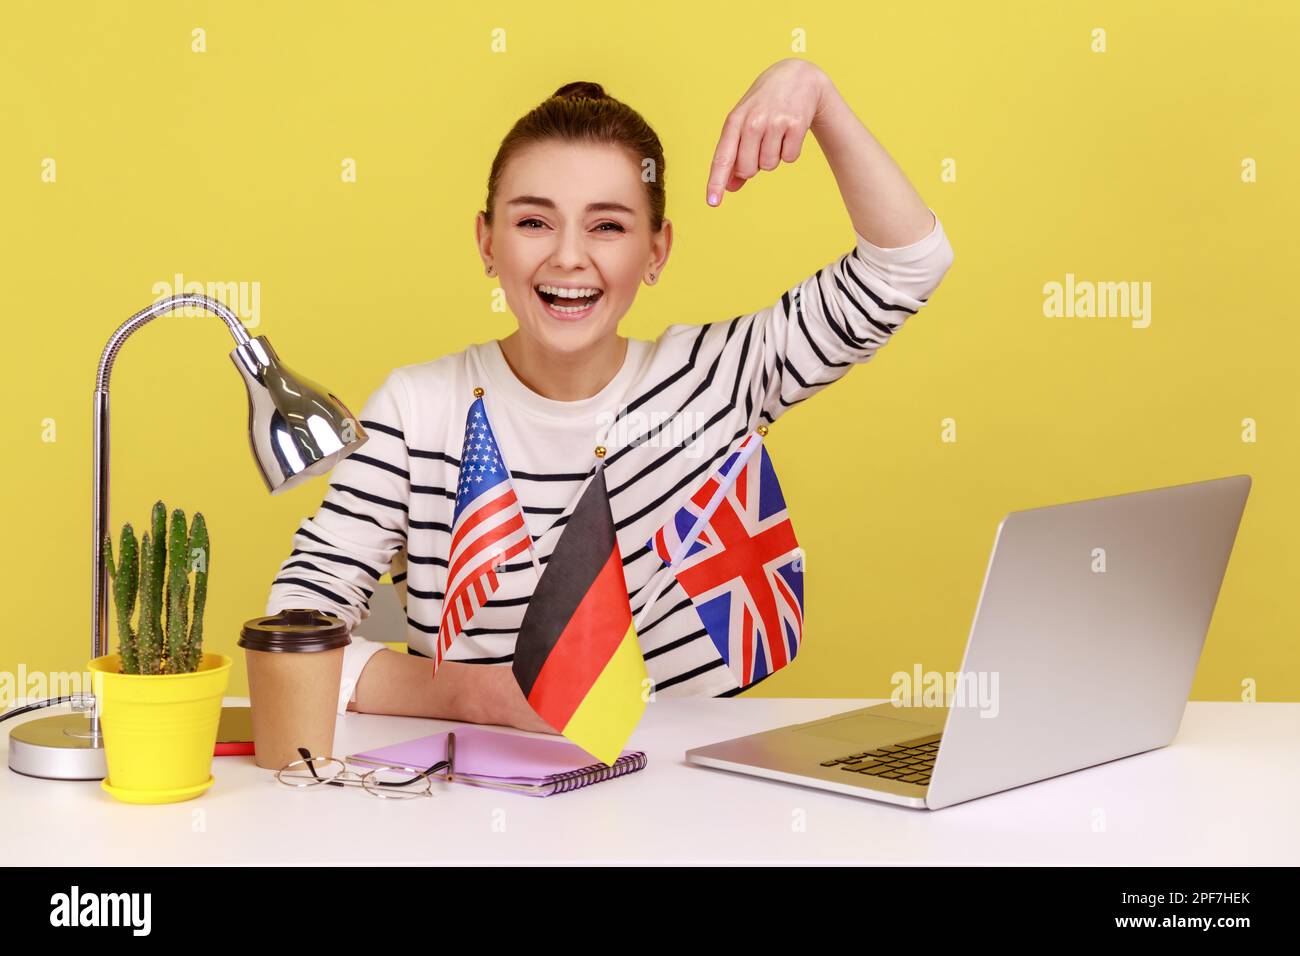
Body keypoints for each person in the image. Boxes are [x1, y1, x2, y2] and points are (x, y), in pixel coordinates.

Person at [264, 57, 954, 734]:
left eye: (608, 225)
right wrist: (484, 697)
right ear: (486, 242)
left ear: (656, 251)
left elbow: (908, 266)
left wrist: (819, 95)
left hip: (681, 797)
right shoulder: (419, 410)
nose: (568, 256)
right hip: (471, 805)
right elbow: (294, 632)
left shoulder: (714, 378)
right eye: (534, 222)